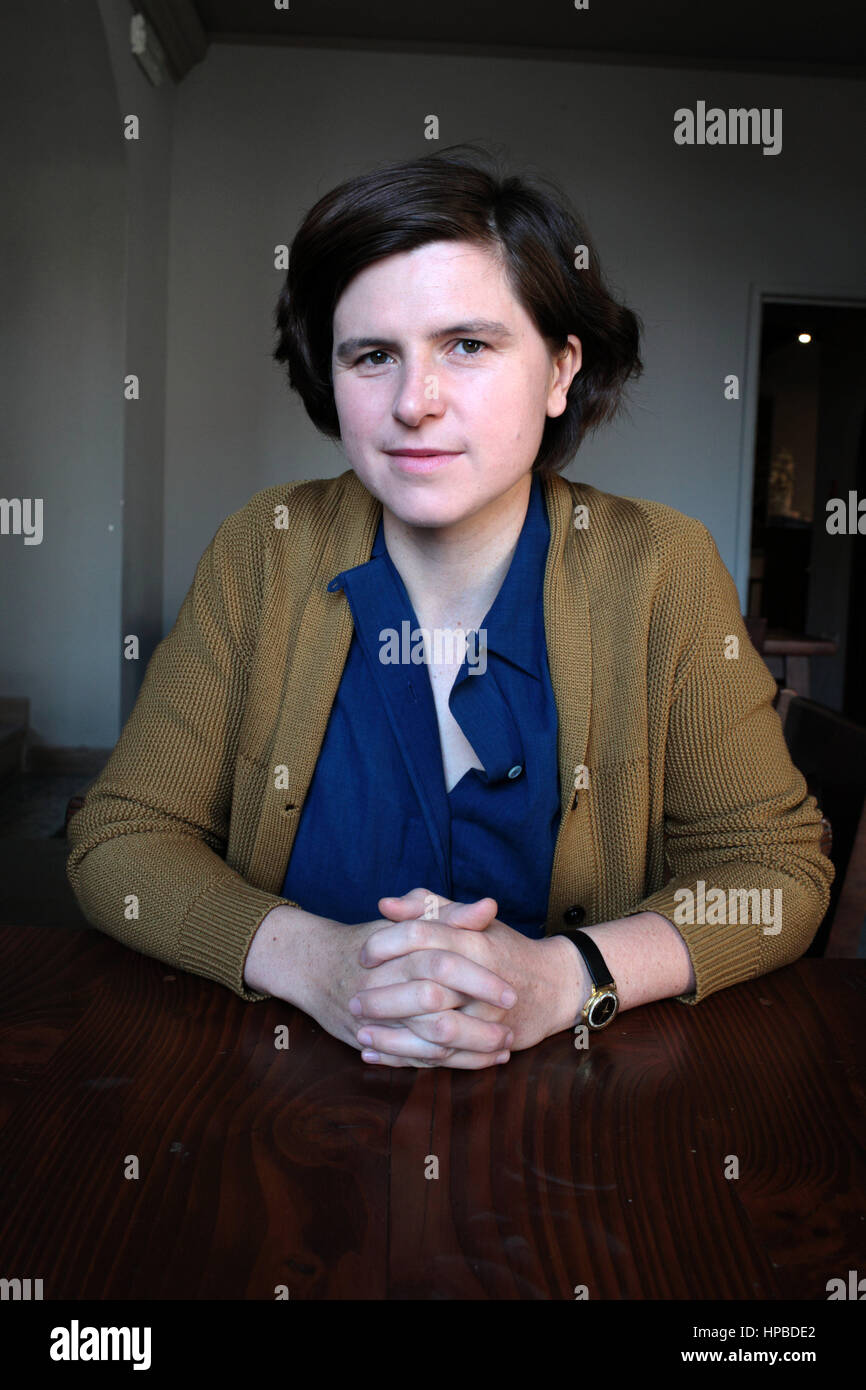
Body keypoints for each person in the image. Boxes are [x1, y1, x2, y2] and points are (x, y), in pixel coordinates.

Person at [66, 144, 834, 1070]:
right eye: (373, 355)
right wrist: (317, 964)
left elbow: (775, 871)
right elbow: (119, 839)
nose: (414, 403)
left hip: (578, 1124)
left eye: (467, 345)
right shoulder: (261, 550)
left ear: (559, 372)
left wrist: (564, 978)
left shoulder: (661, 566)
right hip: (283, 1095)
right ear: (331, 377)